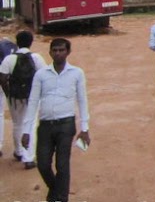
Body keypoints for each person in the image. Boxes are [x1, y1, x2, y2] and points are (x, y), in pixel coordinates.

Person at [21, 38, 90, 202]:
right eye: (55, 50)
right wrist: (26, 130)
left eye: (61, 50)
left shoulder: (76, 73)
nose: (58, 53)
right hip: (45, 125)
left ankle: (61, 198)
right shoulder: (41, 74)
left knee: (62, 164)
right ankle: (55, 191)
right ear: (50, 52)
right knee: (43, 163)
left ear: (68, 52)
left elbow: (82, 100)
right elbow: (32, 101)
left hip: (66, 124)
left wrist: (84, 128)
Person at [1, 31, 48, 169]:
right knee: (31, 124)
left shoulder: (9, 59)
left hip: (14, 97)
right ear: (31, 42)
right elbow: (44, 76)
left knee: (17, 123)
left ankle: (18, 151)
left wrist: (8, 94)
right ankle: (28, 158)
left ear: (17, 42)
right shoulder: (36, 58)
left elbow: (3, 79)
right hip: (31, 96)